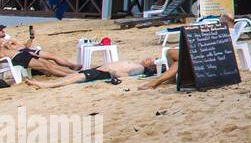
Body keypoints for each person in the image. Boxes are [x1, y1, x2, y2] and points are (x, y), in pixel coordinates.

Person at [26, 56, 177, 89]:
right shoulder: (137, 63)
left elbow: (123, 75)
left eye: (153, 59)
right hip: (99, 69)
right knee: (72, 75)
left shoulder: (140, 68)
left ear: (151, 66)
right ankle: (47, 83)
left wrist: (109, 70)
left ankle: (44, 85)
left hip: (102, 73)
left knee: (72, 79)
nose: (149, 58)